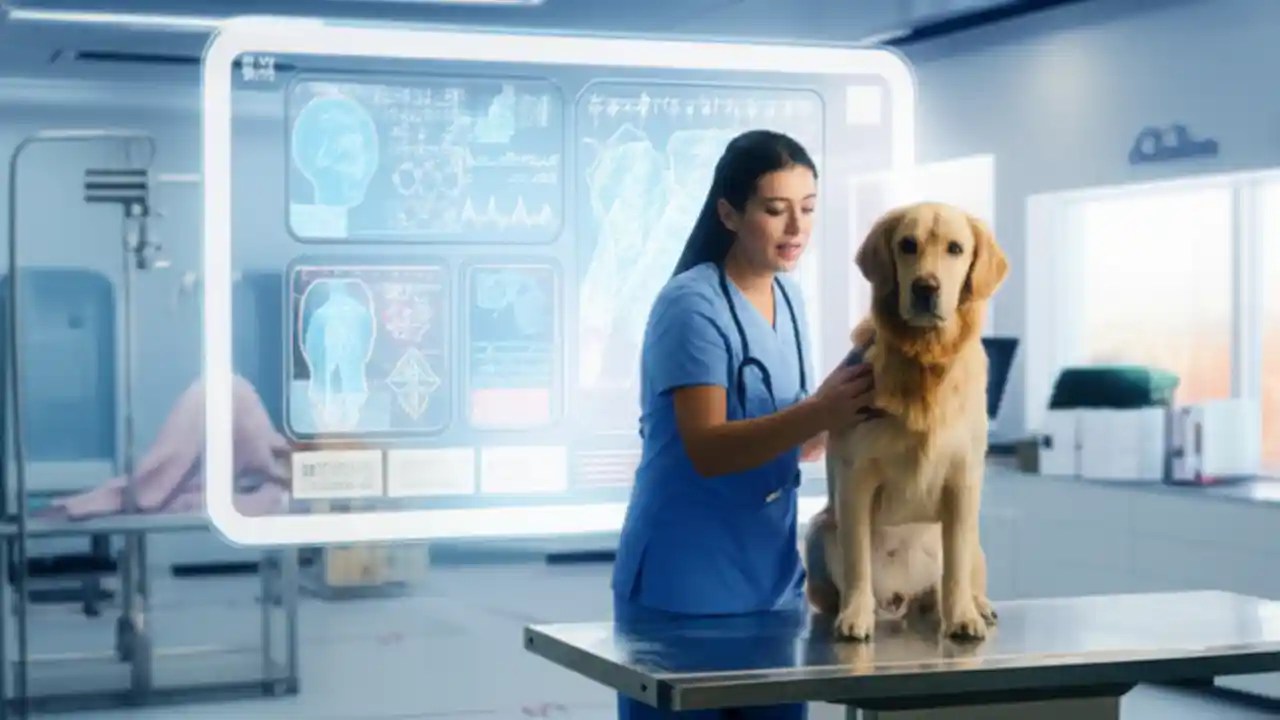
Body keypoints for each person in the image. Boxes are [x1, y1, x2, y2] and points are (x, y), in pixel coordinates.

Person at [610, 129, 880, 719]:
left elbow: (796, 441)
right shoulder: (691, 304)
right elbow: (707, 448)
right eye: (775, 210)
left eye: (807, 209)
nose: (796, 229)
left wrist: (861, 396)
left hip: (771, 587)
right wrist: (819, 411)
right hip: (684, 589)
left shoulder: (790, 298)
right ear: (729, 213)